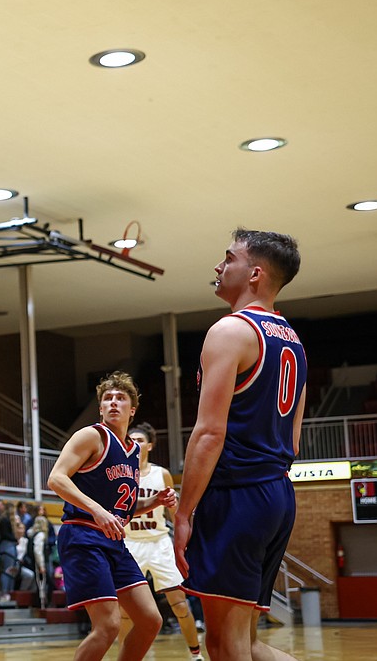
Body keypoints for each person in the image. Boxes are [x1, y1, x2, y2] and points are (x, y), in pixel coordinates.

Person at [173, 230, 306, 661]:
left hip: (237, 496)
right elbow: (295, 442)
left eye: (227, 257)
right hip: (277, 494)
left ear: (255, 273)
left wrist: (184, 512)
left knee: (227, 646)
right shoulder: (294, 341)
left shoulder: (230, 331)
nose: (218, 265)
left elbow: (209, 433)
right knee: (242, 643)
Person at [47, 371, 176, 661]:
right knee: (107, 625)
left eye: (121, 398)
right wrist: (97, 510)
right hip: (82, 535)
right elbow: (56, 479)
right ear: (101, 408)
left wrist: (155, 500)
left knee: (150, 620)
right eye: (108, 398)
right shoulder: (92, 436)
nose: (113, 402)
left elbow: (124, 508)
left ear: (132, 410)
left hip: (113, 541)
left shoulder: (132, 451)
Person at [120, 424, 204, 661]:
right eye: (131, 439)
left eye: (140, 439)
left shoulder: (162, 474)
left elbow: (174, 514)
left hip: (158, 542)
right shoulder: (120, 473)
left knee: (179, 604)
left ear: (150, 445)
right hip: (130, 543)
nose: (135, 442)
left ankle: (196, 655)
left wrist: (182, 541)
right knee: (125, 612)